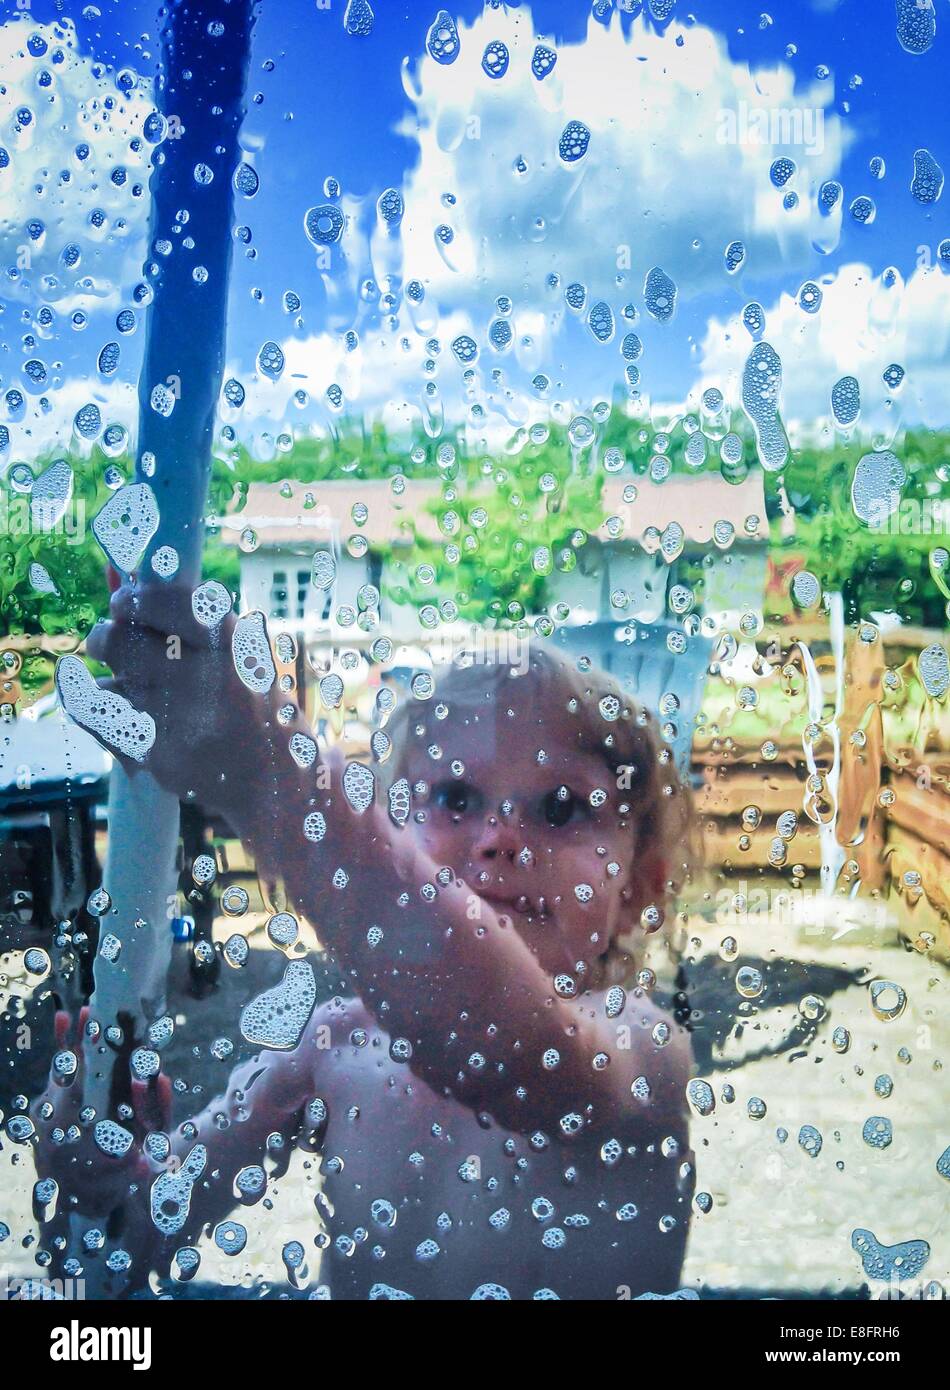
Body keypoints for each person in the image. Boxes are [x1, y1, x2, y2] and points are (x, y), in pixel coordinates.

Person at [34, 583, 697, 1300]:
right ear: (398, 826)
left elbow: (501, 1042)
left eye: (561, 807)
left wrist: (269, 778)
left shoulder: (642, 1052)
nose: (500, 837)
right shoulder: (331, 1047)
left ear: (641, 885)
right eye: (456, 799)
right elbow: (132, 1240)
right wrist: (92, 1175)